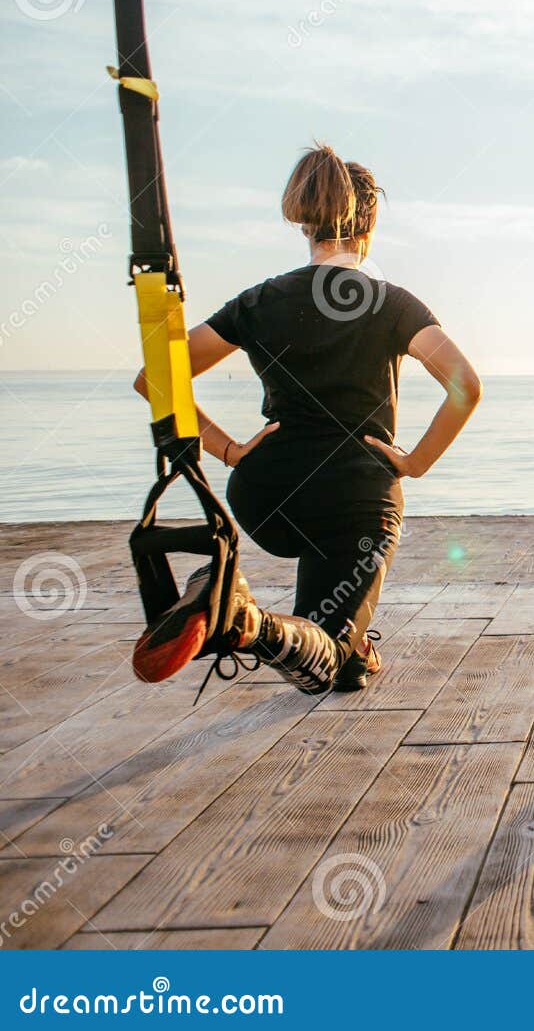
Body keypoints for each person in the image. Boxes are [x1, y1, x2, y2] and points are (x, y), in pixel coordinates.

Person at [132, 143, 481, 695]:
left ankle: (347, 645)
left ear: (306, 226)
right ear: (369, 228)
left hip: (266, 495)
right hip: (353, 498)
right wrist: (415, 462)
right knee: (326, 658)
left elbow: (155, 379)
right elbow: (466, 385)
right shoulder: (392, 303)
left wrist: (230, 451)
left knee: (342, 663)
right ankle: (245, 621)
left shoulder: (258, 301)